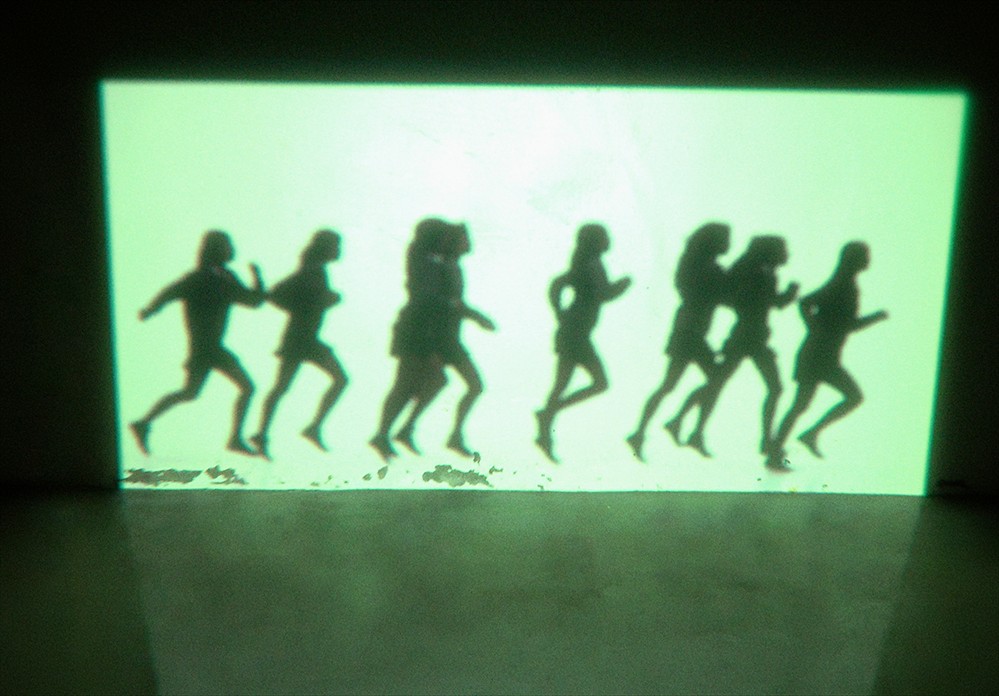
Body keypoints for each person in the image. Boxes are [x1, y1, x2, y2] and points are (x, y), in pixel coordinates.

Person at [129, 230, 265, 455]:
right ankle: (234, 438)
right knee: (245, 387)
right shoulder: (206, 278)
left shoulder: (221, 276)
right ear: (217, 250)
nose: (231, 249)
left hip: (206, 348)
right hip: (207, 348)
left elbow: (253, 301)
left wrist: (258, 279)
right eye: (226, 245)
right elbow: (169, 293)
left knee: (190, 392)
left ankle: (144, 423)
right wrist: (150, 310)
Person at [371, 218, 496, 461]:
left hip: (446, 336)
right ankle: (387, 433)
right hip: (424, 333)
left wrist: (471, 314)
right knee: (409, 385)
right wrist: (467, 314)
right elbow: (429, 301)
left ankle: (409, 430)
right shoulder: (428, 263)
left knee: (462, 384)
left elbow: (449, 303)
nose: (467, 243)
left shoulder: (447, 265)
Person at [667, 235, 798, 458]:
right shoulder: (756, 272)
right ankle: (764, 441)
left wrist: (785, 296)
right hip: (749, 338)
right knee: (765, 387)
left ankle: (684, 423)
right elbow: (757, 301)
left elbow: (764, 302)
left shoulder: (761, 271)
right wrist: (786, 296)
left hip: (750, 338)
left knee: (719, 383)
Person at [766, 241, 887, 469]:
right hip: (818, 356)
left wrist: (815, 327)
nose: (868, 260)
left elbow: (830, 317)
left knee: (807, 404)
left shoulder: (844, 284)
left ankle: (798, 440)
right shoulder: (843, 286)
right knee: (812, 403)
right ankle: (784, 447)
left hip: (823, 356)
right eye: (865, 256)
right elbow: (814, 307)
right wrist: (874, 318)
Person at [249, 230, 348, 460]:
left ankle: (272, 432)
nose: (339, 251)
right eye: (336, 246)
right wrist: (325, 300)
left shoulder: (314, 270)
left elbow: (286, 296)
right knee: (287, 387)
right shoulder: (312, 271)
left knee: (284, 387)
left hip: (305, 338)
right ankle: (271, 433)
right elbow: (280, 294)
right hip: (300, 339)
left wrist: (323, 300)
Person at [536, 223, 631, 462]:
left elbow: (560, 284)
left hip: (577, 332)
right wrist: (621, 286)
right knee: (597, 382)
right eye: (604, 237)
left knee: (564, 384)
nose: (608, 240)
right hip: (576, 334)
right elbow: (600, 293)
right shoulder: (587, 263)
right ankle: (547, 418)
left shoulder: (591, 262)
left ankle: (546, 424)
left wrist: (559, 311)